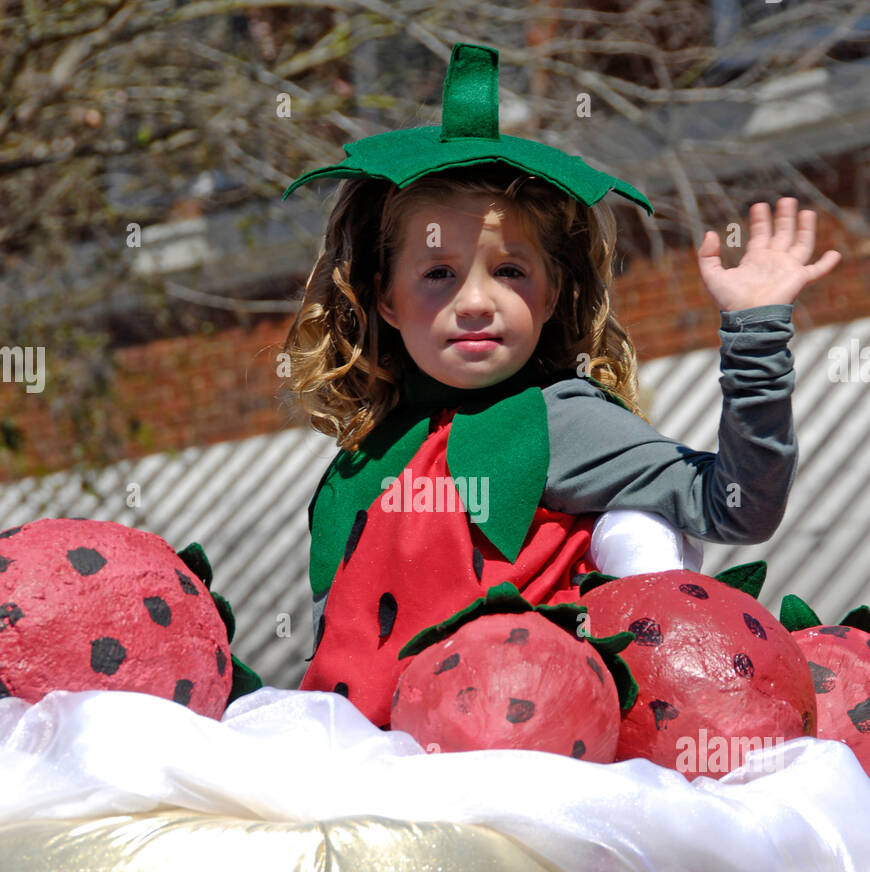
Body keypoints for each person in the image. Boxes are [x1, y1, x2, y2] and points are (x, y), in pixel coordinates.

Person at [280, 43, 841, 730]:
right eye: (438, 274)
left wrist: (755, 338)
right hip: (370, 776)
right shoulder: (354, 468)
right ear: (386, 301)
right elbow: (328, 653)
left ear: (550, 297)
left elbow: (734, 508)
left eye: (510, 271)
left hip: (530, 775)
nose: (477, 301)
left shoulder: (561, 419)